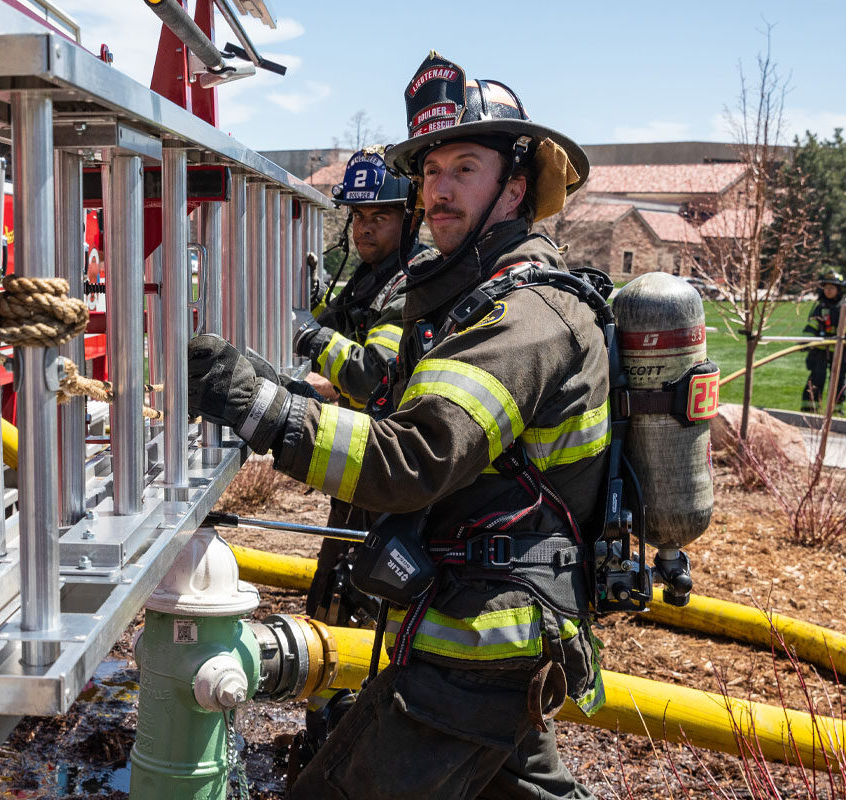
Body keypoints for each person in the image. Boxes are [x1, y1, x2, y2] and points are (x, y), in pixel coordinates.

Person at [188, 52, 604, 799]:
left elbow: (410, 455)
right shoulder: (471, 296)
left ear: (516, 185)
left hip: (477, 652)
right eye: (433, 170)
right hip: (478, 630)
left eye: (464, 169)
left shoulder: (525, 318)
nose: (438, 191)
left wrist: (250, 399)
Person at [294, 147, 422, 626]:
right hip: (358, 468)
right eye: (359, 216)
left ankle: (349, 696)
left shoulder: (408, 285)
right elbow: (335, 346)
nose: (364, 228)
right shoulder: (371, 279)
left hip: (387, 476)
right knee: (330, 589)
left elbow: (374, 376)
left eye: (380, 216)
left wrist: (309, 332)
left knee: (362, 599)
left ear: (409, 221)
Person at [800, 270, 846, 414]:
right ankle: (810, 407)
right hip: (821, 349)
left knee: (839, 380)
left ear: (839, 290)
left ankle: (837, 410)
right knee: (817, 377)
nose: (828, 291)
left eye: (832, 288)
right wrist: (805, 341)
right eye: (826, 288)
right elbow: (812, 326)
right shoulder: (820, 307)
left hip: (843, 351)